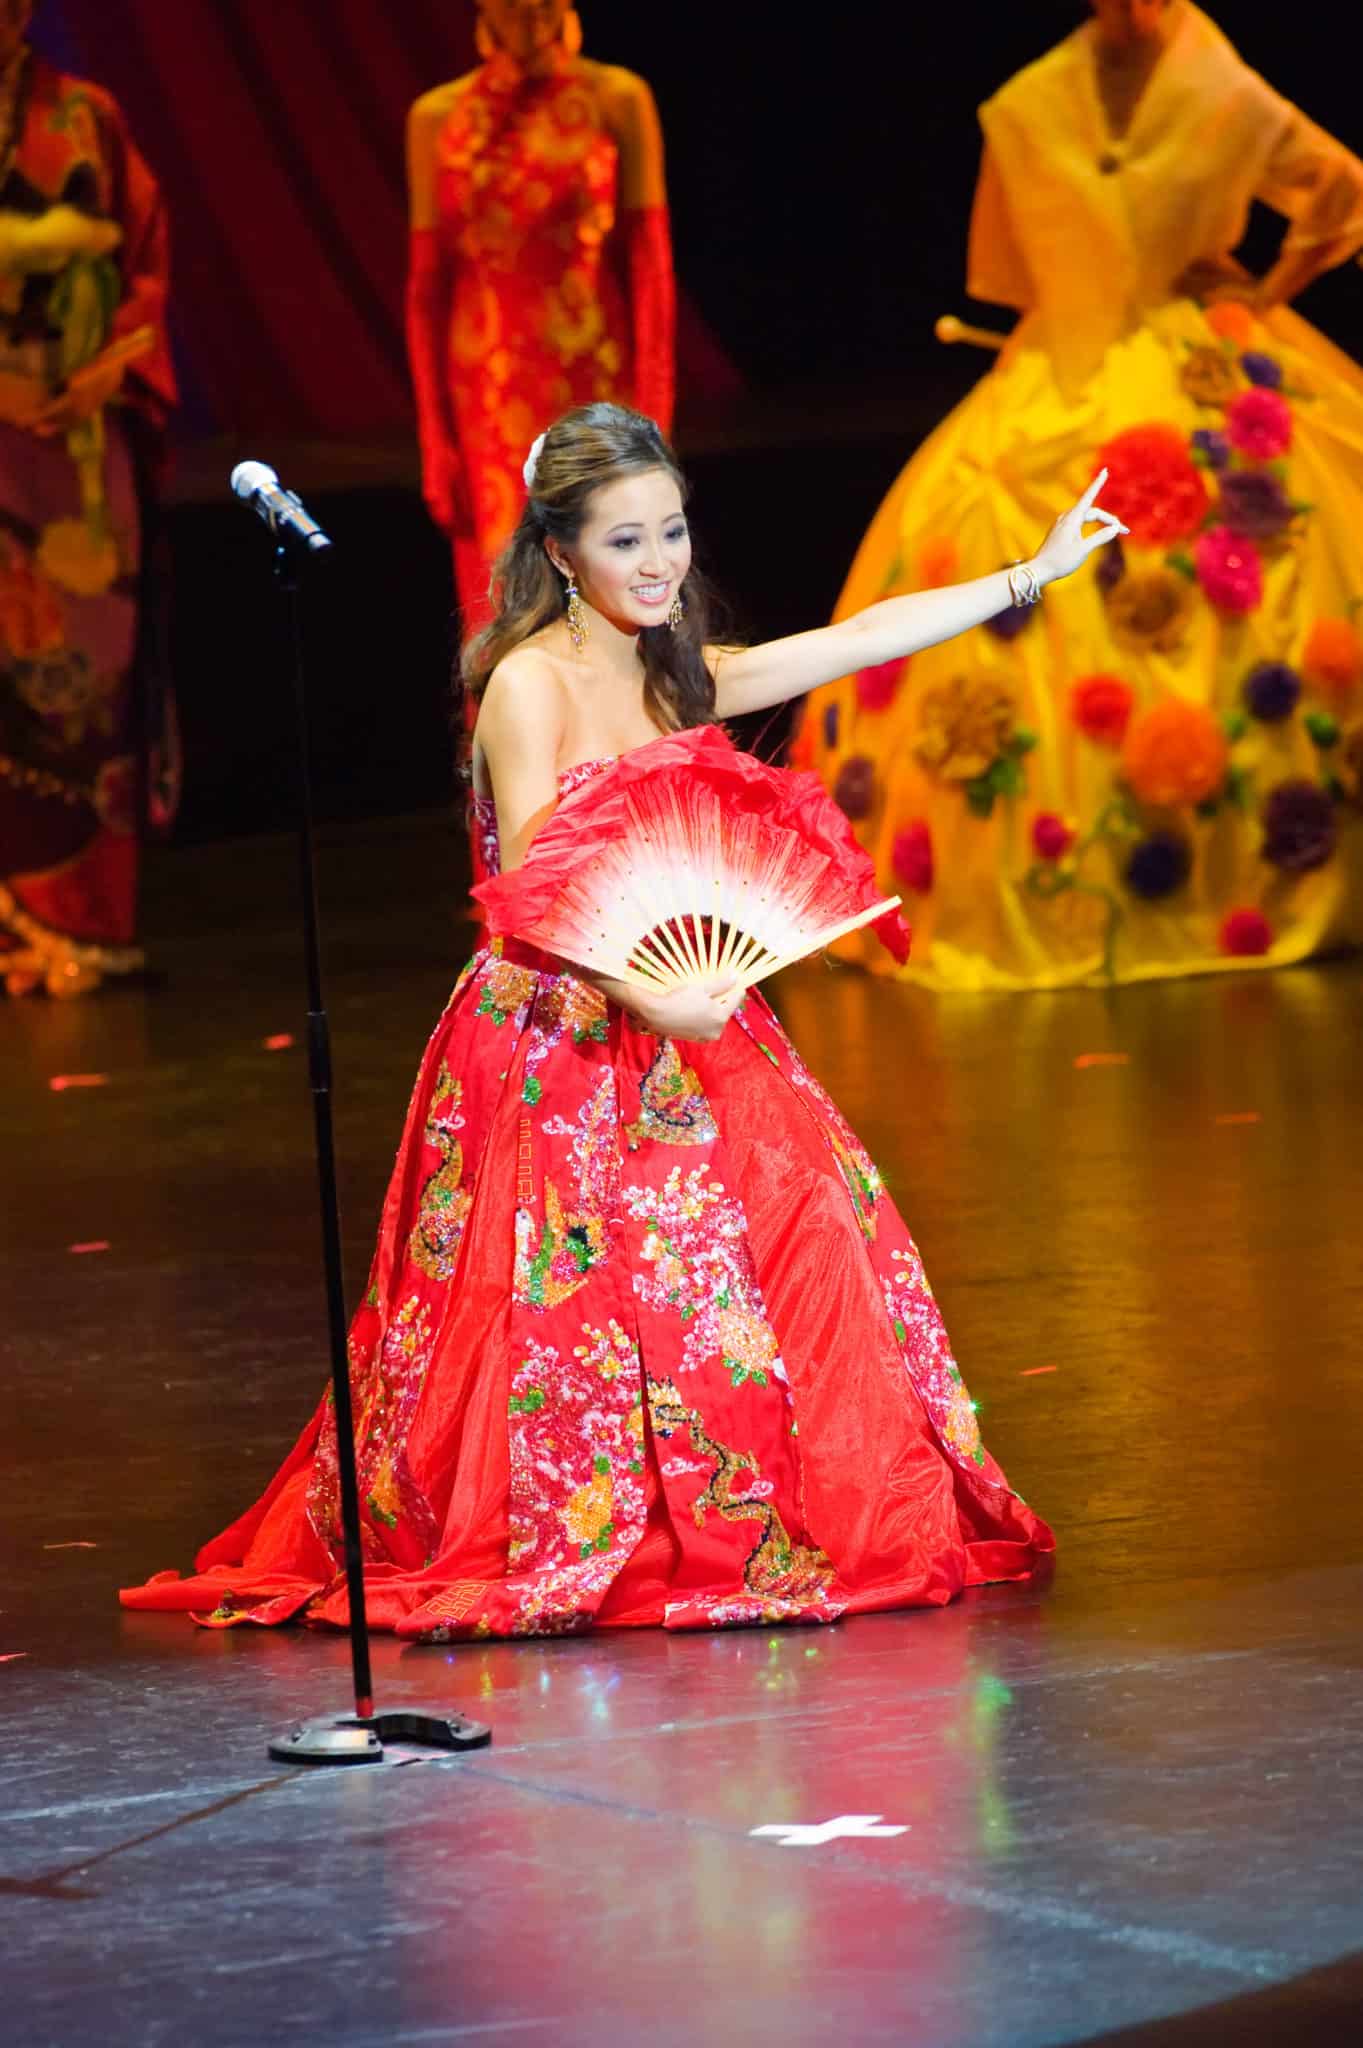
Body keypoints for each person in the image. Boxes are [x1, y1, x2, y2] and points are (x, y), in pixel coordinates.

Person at [121, 403, 1120, 1641]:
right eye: (625, 541)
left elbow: (856, 638)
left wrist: (1031, 571)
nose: (658, 564)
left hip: (692, 1015)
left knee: (792, 1239)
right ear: (560, 553)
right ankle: (594, 1527)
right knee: (571, 1308)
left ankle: (765, 1512)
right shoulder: (524, 686)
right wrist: (647, 992)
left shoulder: (674, 669)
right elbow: (542, 888)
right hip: (557, 1029)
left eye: (672, 533)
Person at [798, 0, 1363, 990]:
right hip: (1063, 372)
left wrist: (1264, 294)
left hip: (1166, 348)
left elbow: (1338, 189)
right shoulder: (1027, 107)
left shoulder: (1212, 82)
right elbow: (1022, 275)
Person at [0, 0, 175, 998]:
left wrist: (109, 369)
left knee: (88, 675)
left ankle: (82, 918)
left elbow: (144, 265)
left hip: (73, 438)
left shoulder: (85, 116)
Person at [405, 0, 674, 636]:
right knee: (510, 599)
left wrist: (655, 422)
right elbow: (425, 290)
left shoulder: (617, 99)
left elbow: (651, 273)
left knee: (617, 581)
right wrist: (434, 438)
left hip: (596, 388)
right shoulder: (437, 118)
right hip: (489, 405)